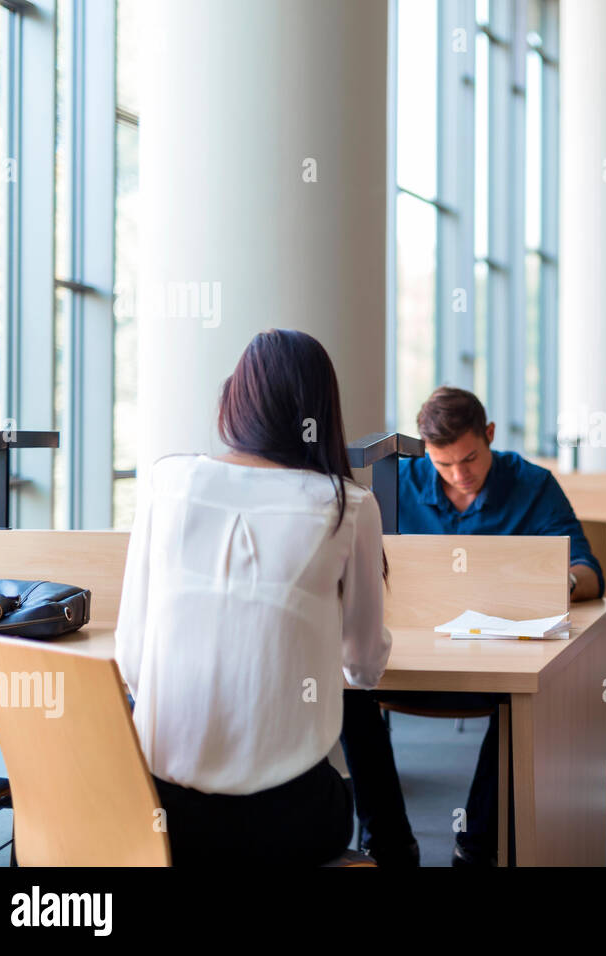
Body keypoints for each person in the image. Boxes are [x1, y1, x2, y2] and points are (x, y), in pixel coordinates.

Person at [114, 329, 392, 866]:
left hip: (161, 816)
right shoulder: (347, 505)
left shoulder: (166, 483)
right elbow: (361, 668)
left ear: (233, 400)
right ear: (322, 412)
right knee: (344, 761)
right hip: (287, 821)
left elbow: (132, 657)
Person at [340, 386, 603, 867]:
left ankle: (478, 847)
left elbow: (589, 572)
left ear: (490, 435)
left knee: (524, 698)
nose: (459, 476)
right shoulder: (398, 483)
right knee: (344, 690)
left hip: (500, 666)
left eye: (470, 458)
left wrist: (554, 582)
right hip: (413, 658)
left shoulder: (533, 484)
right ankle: (391, 844)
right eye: (444, 464)